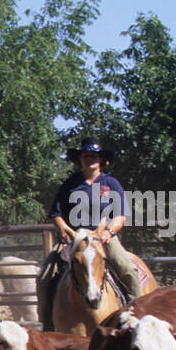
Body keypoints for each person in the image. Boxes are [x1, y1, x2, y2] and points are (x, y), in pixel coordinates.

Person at [36, 139, 139, 328]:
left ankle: (136, 317)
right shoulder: (70, 184)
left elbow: (120, 216)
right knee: (44, 277)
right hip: (75, 238)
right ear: (79, 160)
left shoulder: (111, 183)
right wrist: (64, 231)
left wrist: (109, 232)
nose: (89, 159)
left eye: (93, 156)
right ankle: (47, 324)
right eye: (85, 156)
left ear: (101, 160)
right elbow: (57, 214)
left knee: (128, 270)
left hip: (103, 237)